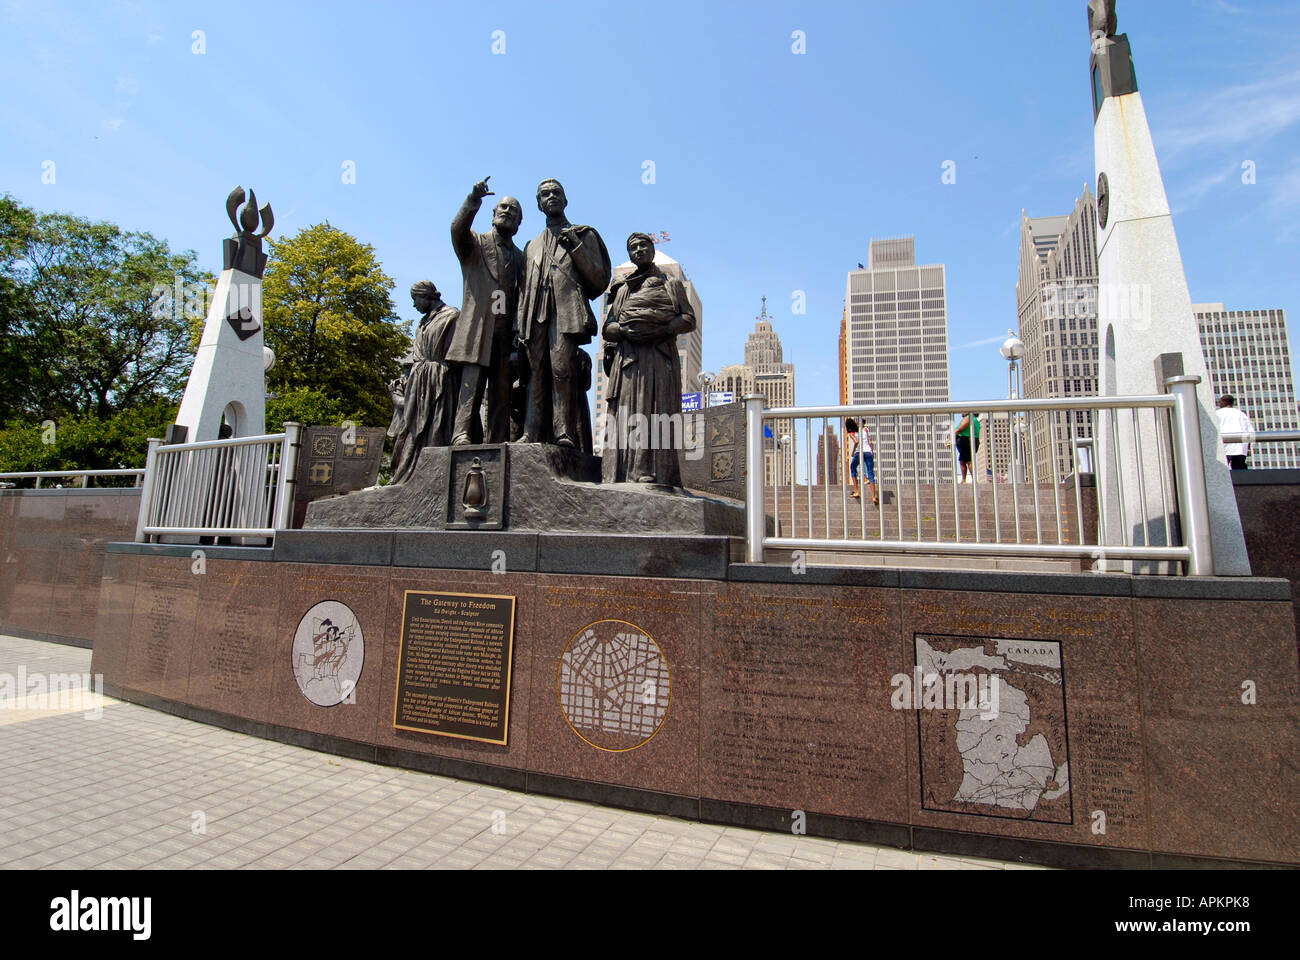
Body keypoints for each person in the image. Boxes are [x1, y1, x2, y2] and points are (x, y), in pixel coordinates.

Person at [516, 179, 611, 447]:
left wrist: (577, 248)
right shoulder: (531, 246)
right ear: (539, 204)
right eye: (545, 194)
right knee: (534, 374)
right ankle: (531, 433)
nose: (551, 197)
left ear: (565, 200)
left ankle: (564, 433)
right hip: (535, 315)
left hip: (565, 312)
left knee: (562, 371)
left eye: (557, 193)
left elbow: (599, 280)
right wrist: (518, 326)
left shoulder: (584, 234)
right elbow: (522, 289)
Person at [600, 232, 697, 485]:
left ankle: (655, 471)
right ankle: (621, 472)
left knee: (654, 412)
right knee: (627, 413)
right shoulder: (622, 289)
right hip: (630, 360)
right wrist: (623, 330)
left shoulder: (670, 285)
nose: (639, 250)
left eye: (644, 245)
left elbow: (688, 319)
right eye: (633, 247)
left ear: (652, 250)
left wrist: (661, 329)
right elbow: (608, 327)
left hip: (658, 357)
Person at [447, 177, 524, 445]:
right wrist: (473, 200)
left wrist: (517, 334)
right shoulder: (475, 244)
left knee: (502, 393)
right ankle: (461, 433)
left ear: (518, 224)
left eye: (514, 212)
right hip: (478, 328)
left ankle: (497, 440)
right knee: (472, 386)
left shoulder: (520, 257)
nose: (507, 212)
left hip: (505, 336)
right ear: (492, 214)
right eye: (503, 208)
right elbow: (456, 230)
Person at [389, 282, 459, 484]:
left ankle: (429, 476)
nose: (413, 305)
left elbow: (457, 355)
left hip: (440, 381)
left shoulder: (451, 316)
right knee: (407, 431)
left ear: (426, 296)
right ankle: (404, 475)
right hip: (418, 384)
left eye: (415, 299)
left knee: (435, 429)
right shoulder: (422, 322)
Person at [1216, 395, 1255, 470]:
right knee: (1240, 470)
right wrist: (1248, 448)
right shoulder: (1241, 414)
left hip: (1224, 446)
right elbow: (1250, 432)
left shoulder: (1217, 413)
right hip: (1240, 447)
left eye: (1220, 402)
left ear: (1223, 402)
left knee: (1221, 470)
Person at [844, 417, 877, 506]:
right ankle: (874, 497)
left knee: (852, 467)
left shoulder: (852, 432)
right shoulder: (865, 429)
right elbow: (870, 442)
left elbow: (856, 441)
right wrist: (871, 451)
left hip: (859, 452)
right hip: (868, 451)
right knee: (871, 473)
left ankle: (856, 491)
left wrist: (853, 451)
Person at [954, 413, 981, 482]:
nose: (961, 412)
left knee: (968, 461)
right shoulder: (975, 420)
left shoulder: (968, 418)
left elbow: (959, 429)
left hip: (967, 441)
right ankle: (965, 479)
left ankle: (969, 480)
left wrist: (950, 438)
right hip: (970, 440)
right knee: (963, 461)